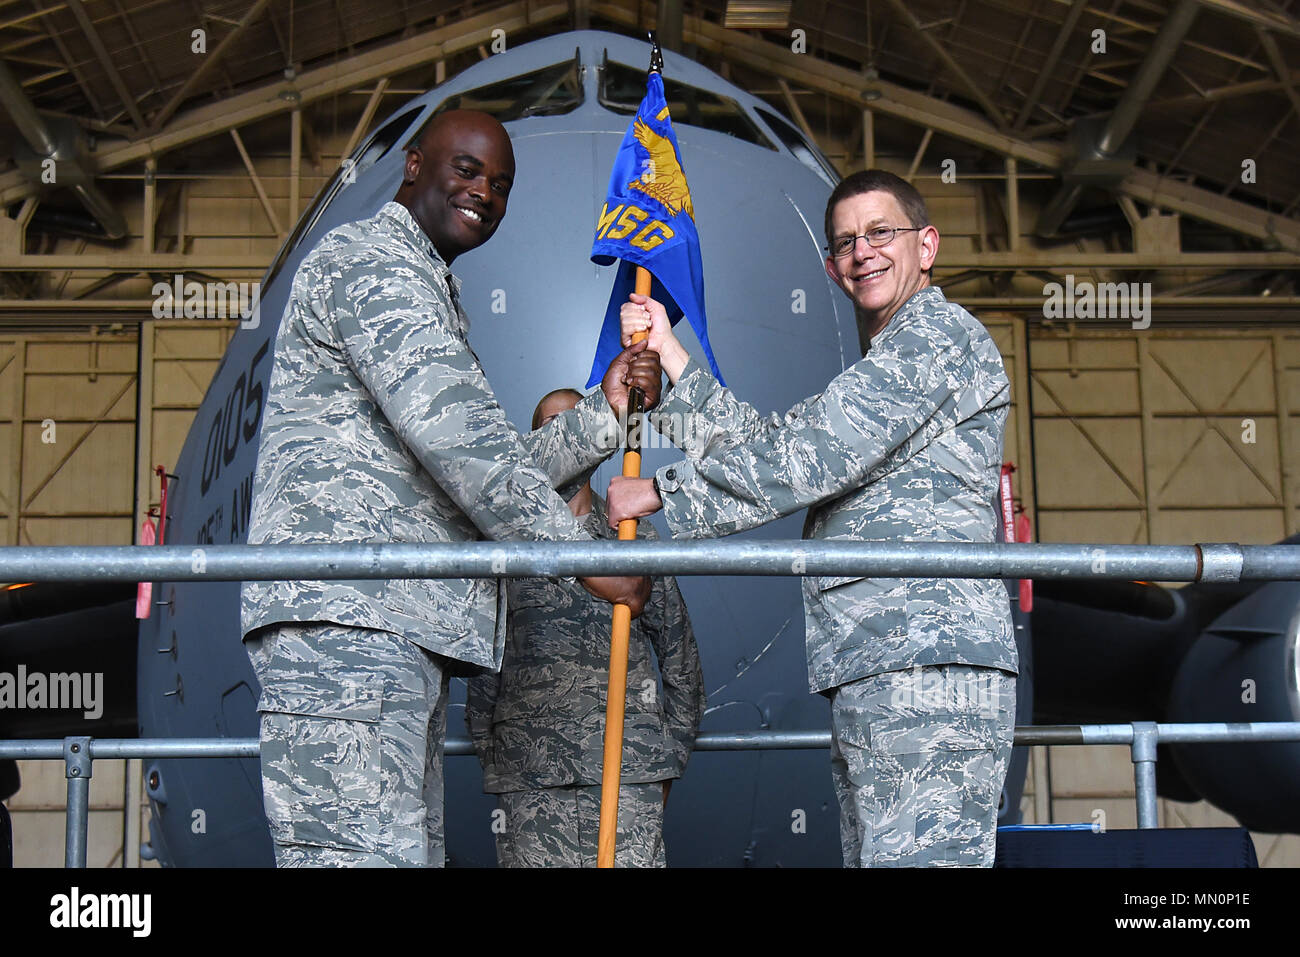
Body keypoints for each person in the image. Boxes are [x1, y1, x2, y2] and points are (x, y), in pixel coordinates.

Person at [240, 109, 661, 867]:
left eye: (500, 184)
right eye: (466, 169)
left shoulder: (426, 283)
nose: (485, 193)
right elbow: (460, 439)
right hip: (351, 632)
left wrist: (606, 418)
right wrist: (580, 556)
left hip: (389, 632)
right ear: (411, 164)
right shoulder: (373, 260)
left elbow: (466, 468)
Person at [607, 169, 1018, 868]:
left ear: (927, 244)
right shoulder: (885, 362)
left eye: (881, 232)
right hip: (883, 663)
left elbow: (808, 456)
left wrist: (662, 495)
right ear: (831, 269)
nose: (864, 251)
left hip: (928, 662)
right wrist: (671, 355)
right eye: (847, 242)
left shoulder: (938, 336)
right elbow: (780, 446)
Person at [465, 388, 705, 868]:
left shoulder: (631, 538)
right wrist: (500, 766)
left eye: (571, 423)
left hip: (626, 768)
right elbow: (483, 663)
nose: (560, 435)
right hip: (530, 777)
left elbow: (681, 660)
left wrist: (663, 764)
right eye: (548, 428)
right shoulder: (504, 543)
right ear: (533, 444)